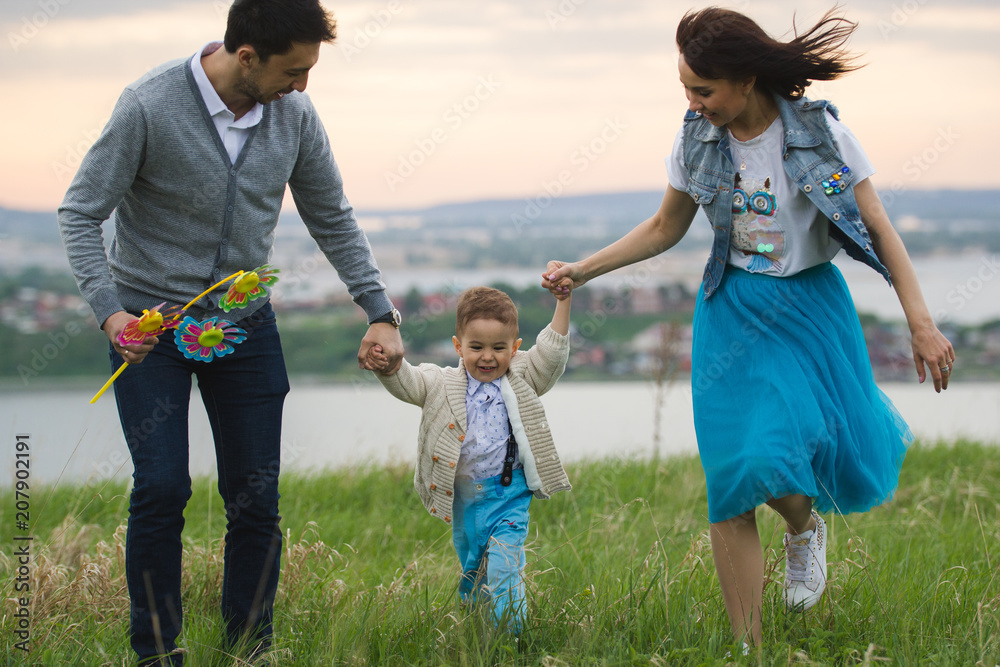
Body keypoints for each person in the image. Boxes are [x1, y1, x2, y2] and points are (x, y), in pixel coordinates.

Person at [542, 7, 955, 650]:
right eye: (684, 87)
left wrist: (921, 325)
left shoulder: (822, 137)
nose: (692, 102)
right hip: (729, 310)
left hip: (807, 311)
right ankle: (749, 648)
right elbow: (664, 226)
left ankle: (802, 528)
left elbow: (877, 226)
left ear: (746, 78)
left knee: (783, 453)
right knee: (732, 479)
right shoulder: (696, 139)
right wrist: (583, 270)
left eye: (703, 90)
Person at [57, 1, 404, 664]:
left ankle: (251, 649)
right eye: (293, 70)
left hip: (243, 325)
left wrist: (379, 309)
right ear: (246, 55)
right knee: (161, 487)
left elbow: (332, 216)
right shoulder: (148, 106)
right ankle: (157, 651)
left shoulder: (295, 116)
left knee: (256, 497)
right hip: (149, 331)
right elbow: (79, 213)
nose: (303, 86)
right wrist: (112, 313)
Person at [364, 287, 572, 632]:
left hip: (510, 496)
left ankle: (513, 639)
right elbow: (409, 383)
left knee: (505, 568)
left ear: (515, 348)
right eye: (476, 347)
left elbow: (550, 356)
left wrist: (563, 299)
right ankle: (478, 629)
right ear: (458, 345)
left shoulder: (521, 378)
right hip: (464, 500)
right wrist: (389, 364)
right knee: (475, 570)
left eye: (498, 348)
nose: (487, 356)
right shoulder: (442, 383)